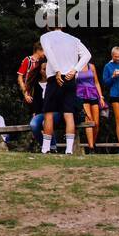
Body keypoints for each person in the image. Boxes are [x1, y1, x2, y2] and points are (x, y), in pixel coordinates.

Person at [40, 26, 91, 157]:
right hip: (69, 78)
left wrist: (57, 70)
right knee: (69, 114)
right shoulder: (74, 39)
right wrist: (75, 70)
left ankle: (45, 149)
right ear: (62, 25)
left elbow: (49, 53)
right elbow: (87, 55)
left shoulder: (46, 37)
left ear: (48, 26)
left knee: (48, 113)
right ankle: (69, 149)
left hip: (54, 78)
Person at [75, 60, 107, 153]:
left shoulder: (91, 66)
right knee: (89, 120)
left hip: (93, 94)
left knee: (96, 123)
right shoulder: (75, 67)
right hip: (81, 94)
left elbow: (96, 82)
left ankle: (93, 142)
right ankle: (91, 147)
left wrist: (101, 97)